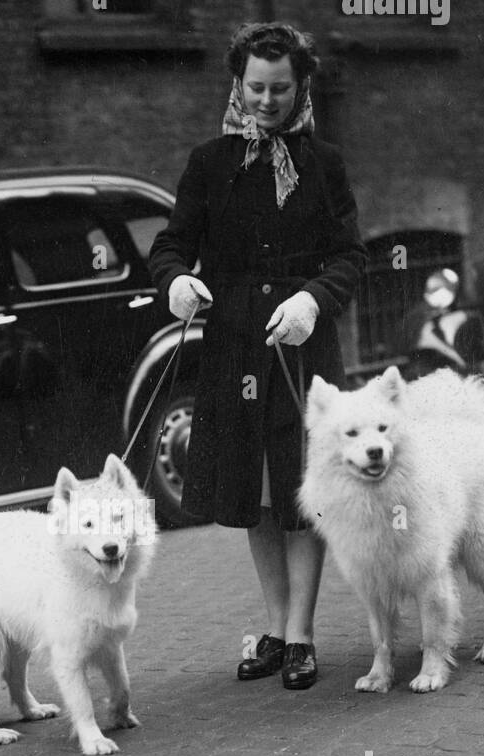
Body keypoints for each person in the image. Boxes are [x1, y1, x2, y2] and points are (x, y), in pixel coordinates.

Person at [149, 21, 367, 690]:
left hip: (302, 349)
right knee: (258, 491)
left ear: (300, 88)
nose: (267, 101)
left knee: (303, 491)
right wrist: (177, 282)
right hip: (236, 345)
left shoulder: (323, 162)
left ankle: (301, 633)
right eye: (256, 87)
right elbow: (170, 246)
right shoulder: (209, 163)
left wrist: (312, 301)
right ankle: (272, 628)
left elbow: (351, 256)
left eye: (280, 88)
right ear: (237, 86)